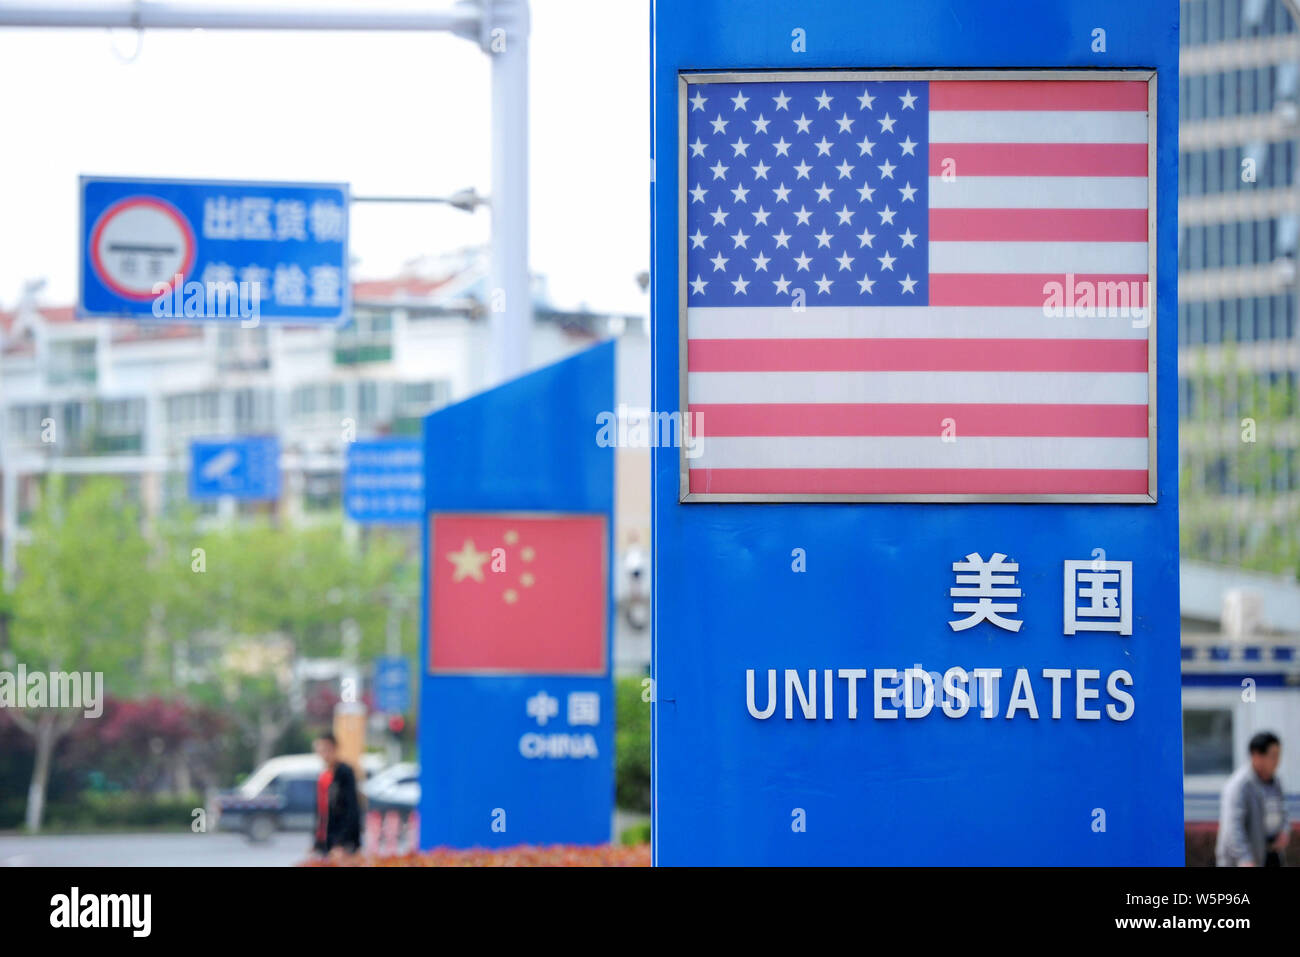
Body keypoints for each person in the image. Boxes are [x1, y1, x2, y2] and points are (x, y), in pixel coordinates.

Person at [1216, 731, 1289, 867]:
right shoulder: (1239, 785)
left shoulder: (1276, 782)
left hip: (1271, 852)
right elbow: (1233, 826)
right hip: (1244, 860)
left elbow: (1283, 811)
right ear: (1256, 756)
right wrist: (1244, 858)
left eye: (1279, 755)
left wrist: (1284, 831)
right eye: (1273, 756)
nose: (1277, 761)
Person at [312, 732, 361, 859]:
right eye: (320, 750)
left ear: (334, 749)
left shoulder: (344, 773)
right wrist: (316, 842)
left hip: (342, 843)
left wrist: (341, 842)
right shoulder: (323, 775)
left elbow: (351, 809)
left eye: (326, 749)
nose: (323, 754)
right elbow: (321, 811)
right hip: (325, 841)